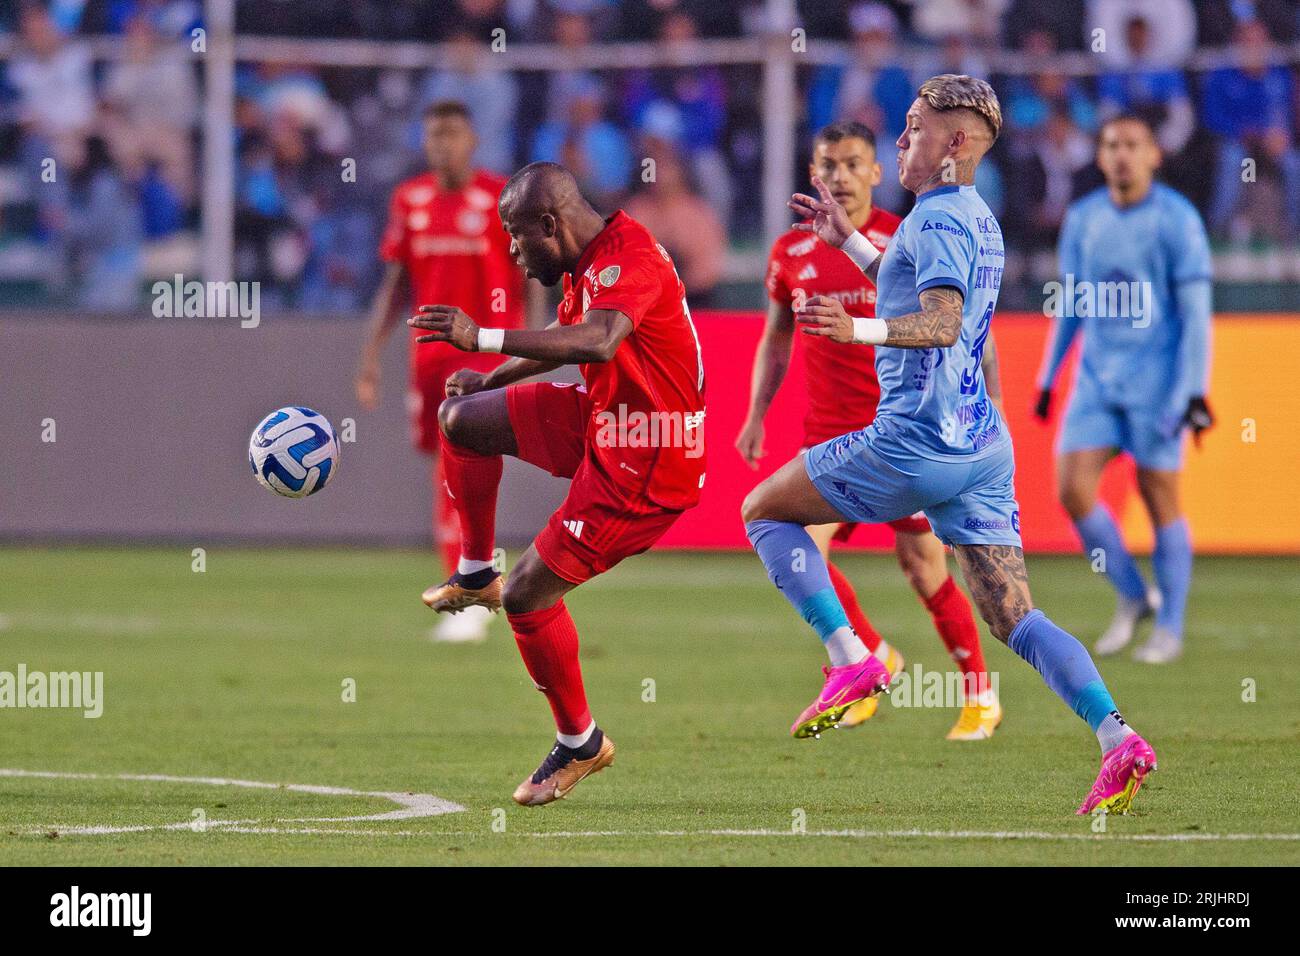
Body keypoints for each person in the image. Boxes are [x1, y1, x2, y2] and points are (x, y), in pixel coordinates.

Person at [744, 75, 1156, 816]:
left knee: (765, 512)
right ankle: (1117, 736)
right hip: (979, 447)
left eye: (914, 127)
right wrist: (852, 244)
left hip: (913, 442)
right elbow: (926, 293)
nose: (901, 139)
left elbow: (939, 321)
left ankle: (852, 660)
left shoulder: (931, 221)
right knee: (1016, 619)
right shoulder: (971, 216)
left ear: (956, 144)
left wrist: (857, 328)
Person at [409, 162, 707, 806]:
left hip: (649, 457)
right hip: (606, 422)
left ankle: (580, 742)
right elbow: (565, 341)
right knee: (461, 419)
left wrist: (479, 335)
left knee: (527, 599)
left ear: (549, 224)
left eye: (516, 237)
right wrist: (490, 376)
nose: (512, 252)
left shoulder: (630, 257)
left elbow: (597, 342)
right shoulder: (593, 257)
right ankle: (474, 567)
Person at [737, 119, 1001, 740]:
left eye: (854, 163)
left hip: (904, 431)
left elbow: (959, 327)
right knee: (802, 545)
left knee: (926, 569)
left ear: (877, 172)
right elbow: (776, 338)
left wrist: (986, 404)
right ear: (812, 174)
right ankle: (868, 655)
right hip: (827, 432)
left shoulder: (904, 237)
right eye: (828, 164)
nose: (840, 175)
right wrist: (755, 413)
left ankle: (979, 693)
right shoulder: (790, 254)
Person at [1034, 114, 1213, 664]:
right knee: (1071, 488)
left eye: (1133, 145)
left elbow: (1196, 316)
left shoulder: (1176, 220)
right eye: (1111, 145)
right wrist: (1047, 376)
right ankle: (1135, 596)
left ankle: (1171, 629)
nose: (1121, 155)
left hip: (1157, 385)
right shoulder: (1084, 219)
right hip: (1096, 381)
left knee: (1160, 496)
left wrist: (1192, 392)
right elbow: (1071, 305)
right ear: (1101, 155)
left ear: (1154, 156)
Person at [354, 100, 526, 643]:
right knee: (441, 471)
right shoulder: (410, 199)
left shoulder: (500, 198)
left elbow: (531, 275)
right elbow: (396, 282)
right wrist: (370, 358)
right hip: (426, 359)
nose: (442, 146)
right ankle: (471, 580)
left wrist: (533, 350)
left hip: (482, 357)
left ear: (472, 140)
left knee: (461, 466)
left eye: (452, 134)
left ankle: (471, 583)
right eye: (433, 136)